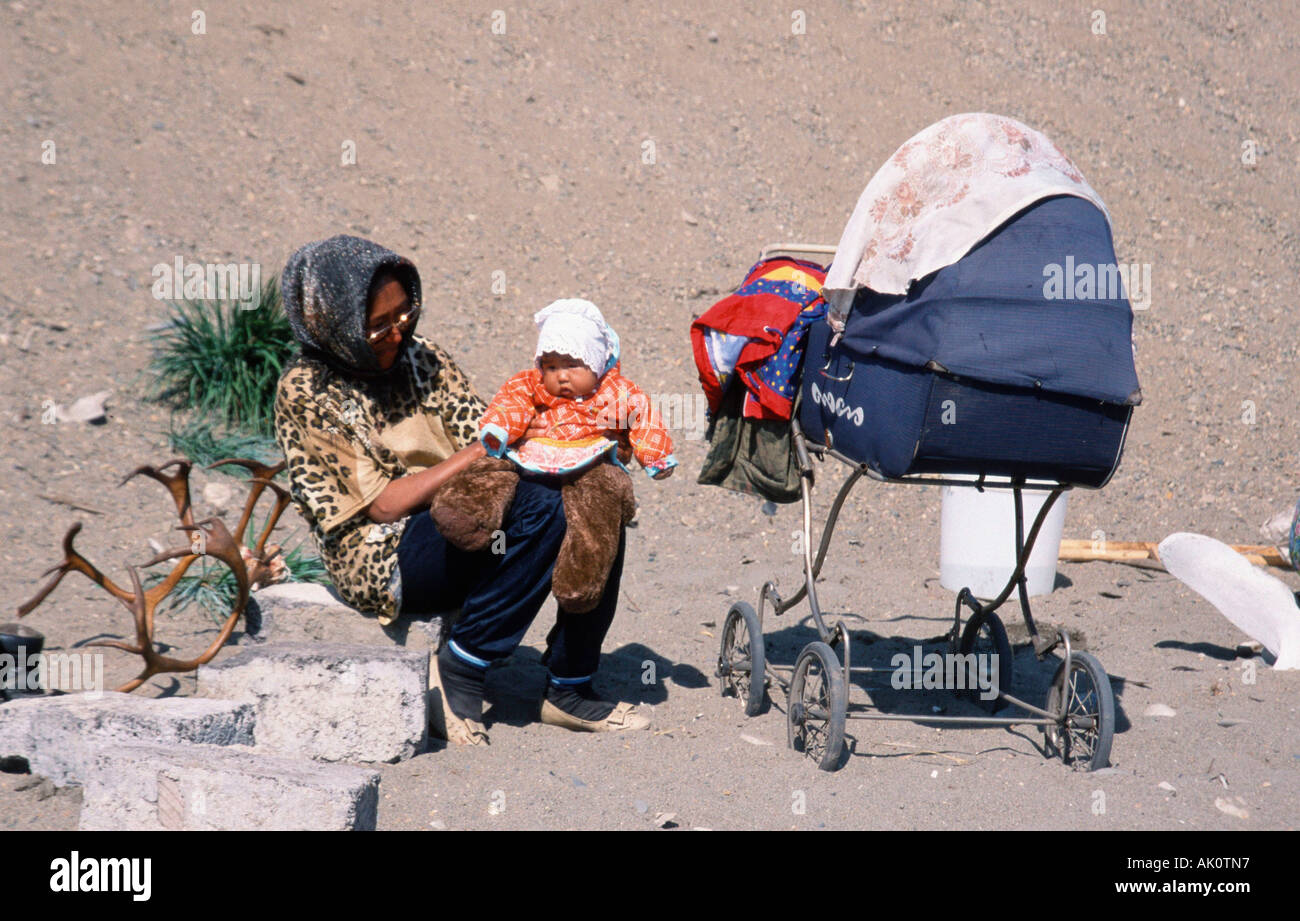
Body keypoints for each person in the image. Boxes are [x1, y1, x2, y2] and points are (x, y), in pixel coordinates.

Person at [272, 235, 649, 745]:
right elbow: (383, 505)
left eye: (404, 313)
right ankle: (464, 665)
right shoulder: (307, 390)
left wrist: (593, 436)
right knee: (540, 507)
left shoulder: (420, 356)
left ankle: (570, 683)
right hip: (384, 553)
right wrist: (479, 454)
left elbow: (490, 426)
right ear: (333, 325)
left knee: (598, 494)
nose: (397, 331)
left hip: (464, 507)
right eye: (378, 324)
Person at [431, 299, 676, 615]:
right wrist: (499, 429)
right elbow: (512, 402)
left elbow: (642, 417)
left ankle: (580, 579)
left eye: (572, 365)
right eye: (551, 366)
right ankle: (467, 513)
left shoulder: (614, 390)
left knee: (599, 498)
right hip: (533, 450)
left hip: (589, 456)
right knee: (491, 466)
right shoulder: (531, 384)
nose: (561, 377)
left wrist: (655, 456)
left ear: (597, 362)